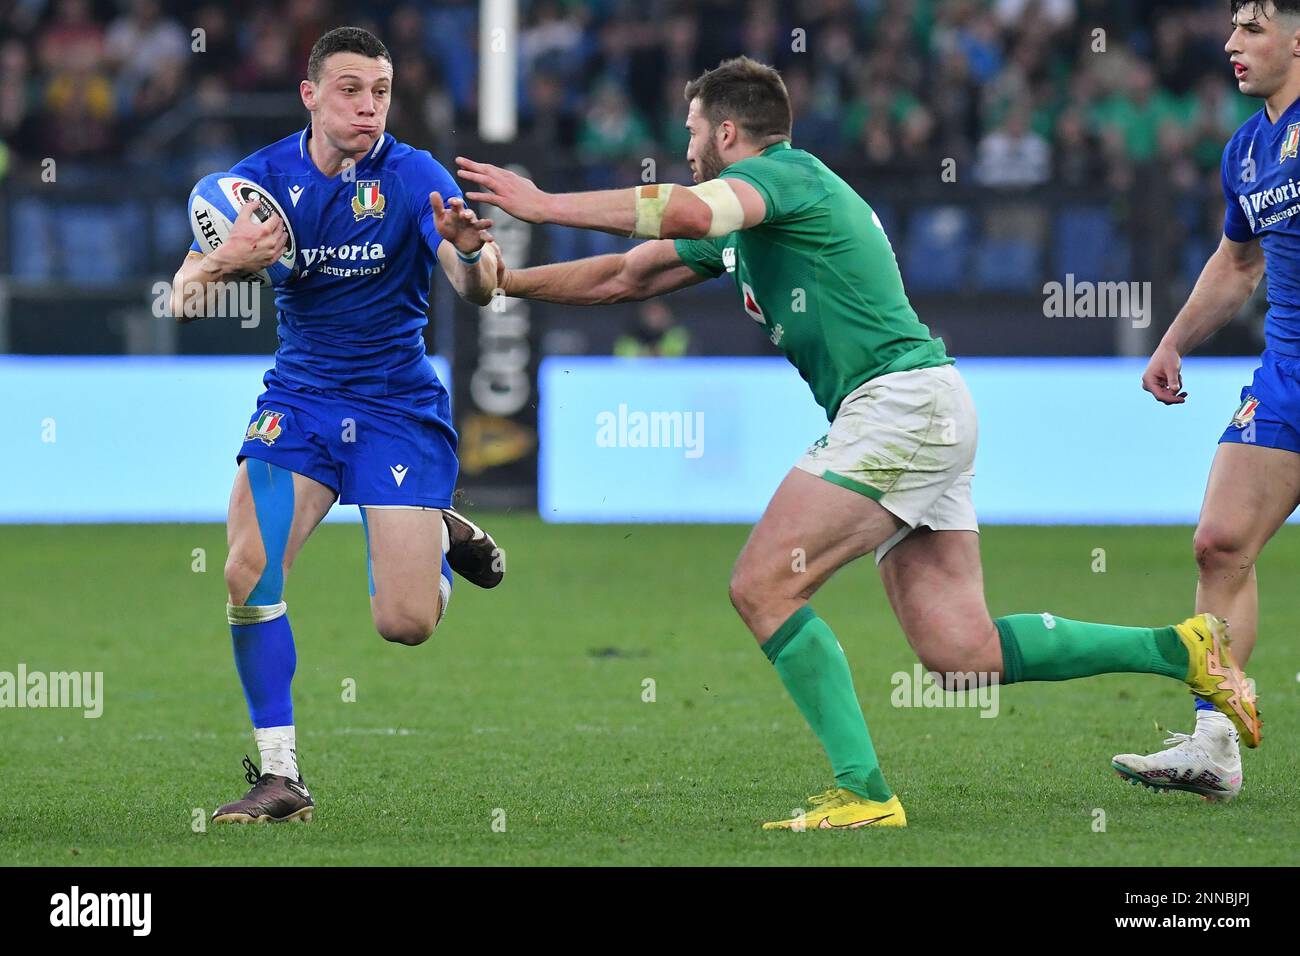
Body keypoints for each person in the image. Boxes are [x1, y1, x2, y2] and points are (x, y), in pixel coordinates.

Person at [457, 55, 1260, 829]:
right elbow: (629, 275)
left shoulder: (783, 177)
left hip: (899, 408)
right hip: (921, 407)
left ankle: (863, 792)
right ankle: (1182, 647)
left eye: (694, 132)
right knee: (960, 650)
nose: (688, 147)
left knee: (763, 586)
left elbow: (688, 210)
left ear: (730, 132)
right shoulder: (755, 214)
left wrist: (544, 204)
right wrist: (508, 283)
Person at [170, 26, 504, 823]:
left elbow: (480, 286)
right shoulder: (260, 183)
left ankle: (435, 537)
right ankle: (281, 776)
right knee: (247, 570)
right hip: (303, 402)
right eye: (351, 90)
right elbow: (181, 296)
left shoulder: (413, 173)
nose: (368, 107)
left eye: (380, 92)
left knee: (405, 624)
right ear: (310, 95)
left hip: (395, 405)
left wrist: (471, 253)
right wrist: (228, 260)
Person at [1122, 0, 1300, 802]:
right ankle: (1213, 744)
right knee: (1219, 544)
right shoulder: (1248, 151)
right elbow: (1237, 264)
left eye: (1252, 29)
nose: (1231, 44)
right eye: (1231, 29)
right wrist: (1174, 340)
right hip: (1286, 378)